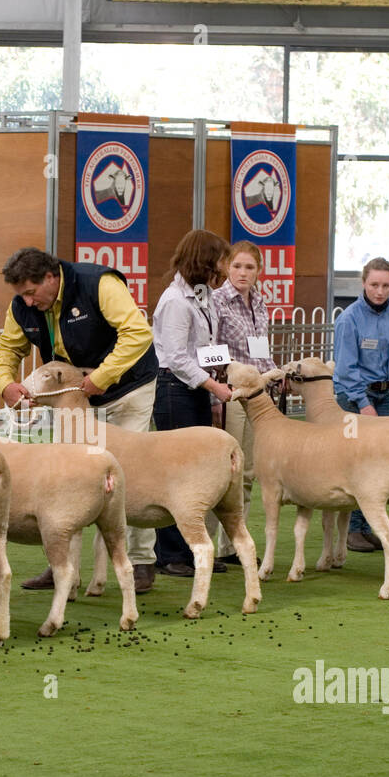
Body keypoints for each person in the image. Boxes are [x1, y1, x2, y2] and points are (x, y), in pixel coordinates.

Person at [0, 247, 159, 592]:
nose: (26, 302)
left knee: (129, 475)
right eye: (20, 294)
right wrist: (5, 382)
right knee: (66, 479)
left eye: (31, 292)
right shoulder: (22, 306)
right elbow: (7, 349)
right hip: (75, 400)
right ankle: (61, 565)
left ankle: (140, 561)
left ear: (51, 278)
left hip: (127, 392)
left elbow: (138, 333)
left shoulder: (99, 284)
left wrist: (105, 376)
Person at [151, 229, 232, 577]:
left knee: (195, 473)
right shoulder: (175, 301)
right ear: (204, 261)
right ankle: (170, 554)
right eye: (220, 260)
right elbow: (177, 358)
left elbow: (205, 349)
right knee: (176, 474)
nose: (224, 268)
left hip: (195, 388)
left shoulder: (203, 297)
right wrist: (215, 385)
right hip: (174, 390)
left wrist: (214, 388)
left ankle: (192, 550)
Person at [332, 256, 389, 553]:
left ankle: (365, 526)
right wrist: (362, 403)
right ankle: (351, 530)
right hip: (353, 399)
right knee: (355, 463)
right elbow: (345, 368)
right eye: (374, 285)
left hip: (384, 397)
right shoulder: (349, 319)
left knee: (379, 463)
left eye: (385, 285)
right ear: (363, 283)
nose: (380, 291)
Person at [210, 241, 277, 564]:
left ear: (258, 271)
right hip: (229, 394)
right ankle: (206, 544)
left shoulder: (260, 304)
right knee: (224, 472)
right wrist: (217, 391)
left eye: (250, 267)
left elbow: (261, 352)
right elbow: (209, 350)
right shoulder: (217, 300)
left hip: (257, 397)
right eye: (237, 266)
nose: (243, 273)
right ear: (226, 267)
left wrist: (273, 375)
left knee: (248, 471)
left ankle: (232, 543)